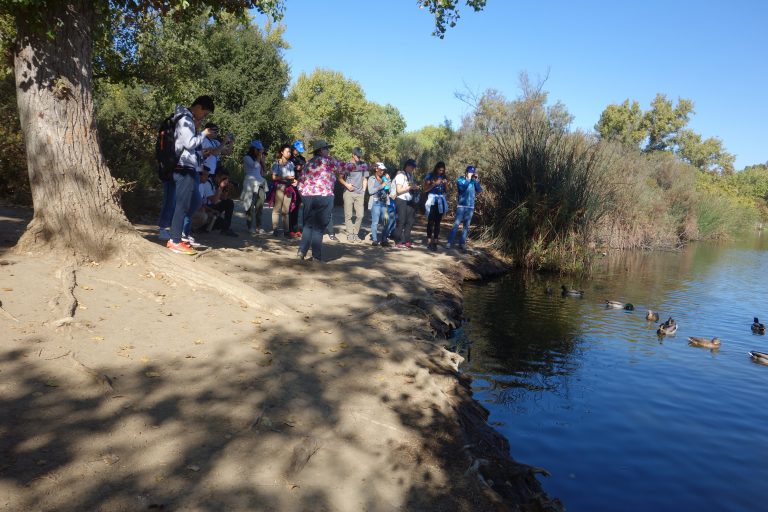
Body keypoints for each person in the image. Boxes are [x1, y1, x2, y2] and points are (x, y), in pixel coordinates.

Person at [167, 95, 215, 255]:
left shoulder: (189, 119)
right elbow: (189, 143)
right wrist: (204, 133)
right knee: (182, 204)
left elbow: (191, 145)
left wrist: (202, 152)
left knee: (193, 202)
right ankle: (174, 240)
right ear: (200, 107)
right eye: (205, 113)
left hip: (190, 166)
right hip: (183, 167)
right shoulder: (185, 118)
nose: (204, 117)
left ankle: (181, 235)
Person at [297, 140, 351, 262]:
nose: (328, 151)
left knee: (308, 226)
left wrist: (304, 197)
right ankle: (316, 256)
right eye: (327, 148)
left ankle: (301, 252)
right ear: (321, 150)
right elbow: (345, 167)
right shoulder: (328, 161)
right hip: (324, 196)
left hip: (309, 197)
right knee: (318, 227)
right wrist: (365, 166)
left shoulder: (308, 163)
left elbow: (300, 182)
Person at [447, 165, 483, 251]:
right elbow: (461, 189)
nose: (472, 174)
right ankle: (449, 242)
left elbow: (479, 190)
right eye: (470, 172)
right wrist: (468, 179)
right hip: (461, 206)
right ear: (466, 172)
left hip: (470, 206)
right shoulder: (460, 179)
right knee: (456, 224)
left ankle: (462, 243)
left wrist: (477, 181)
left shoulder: (473, 181)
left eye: (473, 173)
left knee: (466, 226)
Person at [339, 147, 369, 242]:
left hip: (360, 193)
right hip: (349, 192)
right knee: (348, 215)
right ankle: (350, 234)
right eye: (357, 156)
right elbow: (340, 178)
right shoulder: (347, 165)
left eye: (360, 156)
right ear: (353, 154)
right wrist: (347, 185)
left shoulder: (363, 164)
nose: (359, 158)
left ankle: (355, 233)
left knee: (360, 215)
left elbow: (365, 178)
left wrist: (364, 191)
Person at [392, 159, 420, 249]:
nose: (413, 169)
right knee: (401, 221)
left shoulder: (410, 175)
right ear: (407, 166)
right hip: (401, 200)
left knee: (410, 221)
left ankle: (407, 240)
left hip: (409, 200)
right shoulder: (400, 175)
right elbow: (399, 190)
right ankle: (398, 241)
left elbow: (409, 186)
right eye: (412, 167)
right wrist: (410, 187)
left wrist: (415, 187)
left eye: (414, 167)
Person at [269, 144, 296, 237]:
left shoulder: (291, 164)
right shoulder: (276, 163)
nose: (289, 153)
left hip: (288, 187)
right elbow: (273, 177)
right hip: (280, 187)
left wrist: (294, 180)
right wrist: (286, 177)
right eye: (287, 151)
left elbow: (292, 177)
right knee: (277, 208)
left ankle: (286, 231)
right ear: (282, 152)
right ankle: (275, 229)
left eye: (290, 152)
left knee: (286, 210)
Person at [241, 140, 267, 234]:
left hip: (260, 183)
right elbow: (254, 166)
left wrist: (263, 161)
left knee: (260, 206)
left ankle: (258, 226)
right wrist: (259, 158)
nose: (260, 152)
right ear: (254, 149)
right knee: (250, 205)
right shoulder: (247, 158)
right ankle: (250, 226)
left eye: (261, 150)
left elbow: (264, 172)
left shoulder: (259, 159)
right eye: (259, 150)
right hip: (250, 183)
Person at [423, 162, 448, 251]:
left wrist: (445, 184)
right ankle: (429, 241)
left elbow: (446, 191)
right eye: (440, 170)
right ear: (436, 168)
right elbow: (425, 189)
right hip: (432, 201)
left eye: (443, 170)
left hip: (440, 201)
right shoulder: (430, 176)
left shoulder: (444, 177)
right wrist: (434, 184)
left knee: (438, 222)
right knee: (430, 222)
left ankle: (435, 242)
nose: (441, 172)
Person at [367, 162, 390, 246]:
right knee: (375, 222)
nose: (382, 171)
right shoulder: (371, 178)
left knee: (386, 221)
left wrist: (388, 181)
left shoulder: (384, 178)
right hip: (375, 202)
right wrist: (381, 186)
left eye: (383, 170)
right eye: (381, 169)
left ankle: (384, 240)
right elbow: (370, 191)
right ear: (376, 169)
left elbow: (389, 190)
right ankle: (375, 240)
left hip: (384, 203)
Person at [288, 140, 306, 238]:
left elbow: (306, 168)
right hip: (290, 184)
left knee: (298, 206)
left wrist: (302, 167)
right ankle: (290, 228)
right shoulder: (289, 158)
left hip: (300, 184)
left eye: (300, 150)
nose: (298, 152)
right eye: (297, 150)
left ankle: (296, 228)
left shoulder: (302, 158)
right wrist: (296, 168)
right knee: (291, 207)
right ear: (293, 148)